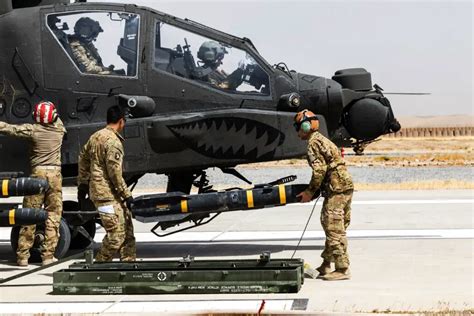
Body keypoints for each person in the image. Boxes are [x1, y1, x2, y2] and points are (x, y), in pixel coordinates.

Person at [0, 101, 66, 266]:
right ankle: (48, 257)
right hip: (55, 176)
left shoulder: (33, 130)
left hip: (37, 176)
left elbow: (10, 129)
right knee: (53, 216)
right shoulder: (59, 130)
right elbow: (57, 119)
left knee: (30, 215)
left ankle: (23, 257)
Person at [294, 109, 354, 281]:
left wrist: (309, 192)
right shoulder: (322, 139)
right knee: (334, 224)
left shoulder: (313, 143)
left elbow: (319, 170)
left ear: (306, 127)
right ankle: (326, 264)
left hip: (337, 188)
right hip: (344, 186)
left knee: (333, 227)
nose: (298, 131)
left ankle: (342, 269)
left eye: (298, 127)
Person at [77, 105, 135, 262]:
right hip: (105, 195)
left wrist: (83, 183)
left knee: (127, 229)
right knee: (116, 234)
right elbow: (114, 174)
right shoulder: (114, 142)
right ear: (121, 121)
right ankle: (99, 264)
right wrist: (127, 196)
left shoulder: (95, 136)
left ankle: (129, 264)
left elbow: (82, 157)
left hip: (108, 194)